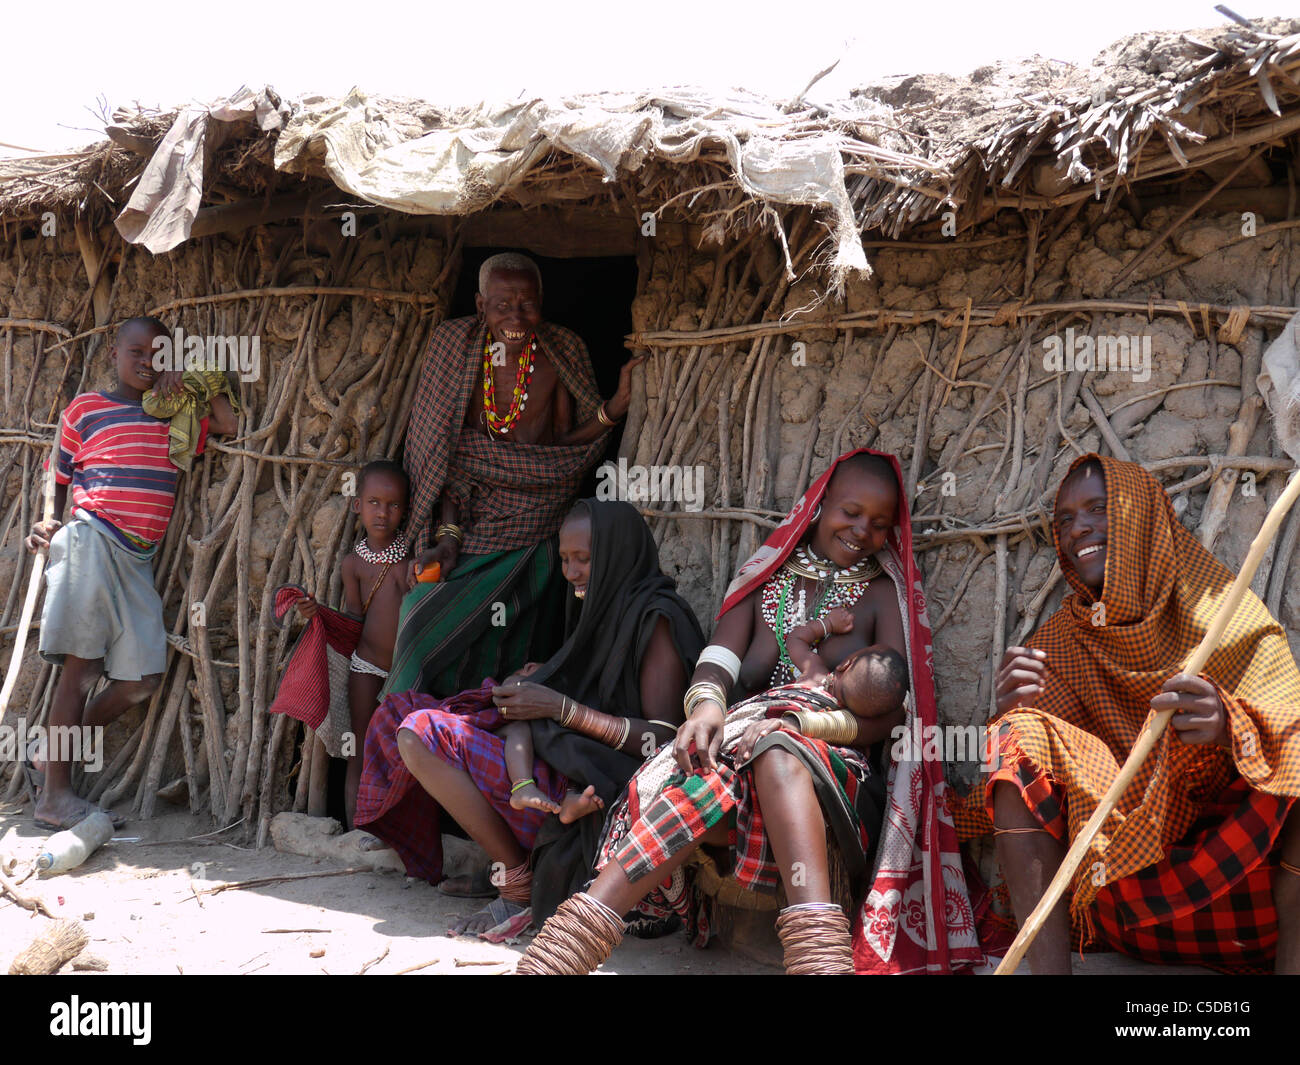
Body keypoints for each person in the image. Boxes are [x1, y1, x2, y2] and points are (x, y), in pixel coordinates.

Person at [517, 449, 986, 975]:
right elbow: (716, 662)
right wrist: (708, 709)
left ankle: (819, 962)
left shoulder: (881, 596)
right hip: (739, 768)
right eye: (850, 512)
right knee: (704, 787)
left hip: (836, 784)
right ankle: (560, 955)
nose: (862, 531)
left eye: (879, 524)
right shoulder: (767, 578)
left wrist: (800, 724)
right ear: (820, 502)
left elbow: (894, 712)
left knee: (778, 752)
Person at [959, 454, 1300, 974]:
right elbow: (1039, 766)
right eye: (1066, 519)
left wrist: (1233, 727)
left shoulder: (1227, 622)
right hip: (1122, 897)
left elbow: (1289, 729)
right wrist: (1011, 717)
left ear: (1140, 517)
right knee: (1016, 736)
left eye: (1099, 508)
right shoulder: (1062, 643)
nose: (1079, 529)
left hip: (1244, 892)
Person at [355, 499, 704, 939]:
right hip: (557, 761)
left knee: (421, 735)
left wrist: (559, 708)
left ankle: (516, 885)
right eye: (564, 560)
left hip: (596, 792)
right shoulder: (597, 609)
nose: (571, 572)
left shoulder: (657, 621)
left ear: (617, 553)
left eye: (584, 559)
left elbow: (663, 740)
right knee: (398, 712)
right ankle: (497, 863)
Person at [383, 252, 645, 701]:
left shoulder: (560, 353)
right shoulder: (454, 348)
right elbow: (442, 457)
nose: (516, 317)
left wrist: (613, 409)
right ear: (480, 303)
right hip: (470, 525)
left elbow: (563, 451)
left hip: (537, 517)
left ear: (542, 303)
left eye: (527, 304)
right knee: (419, 619)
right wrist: (447, 537)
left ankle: (481, 731)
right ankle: (408, 728)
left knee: (515, 644)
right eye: (503, 305)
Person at [23, 316, 237, 828]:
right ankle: (54, 796)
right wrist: (51, 520)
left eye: (157, 356)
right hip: (91, 538)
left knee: (142, 678)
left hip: (139, 557)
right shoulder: (86, 409)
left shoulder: (177, 413)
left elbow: (227, 424)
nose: (146, 363)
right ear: (114, 353)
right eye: (137, 352)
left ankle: (45, 751)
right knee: (81, 668)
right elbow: (60, 475)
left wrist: (193, 382)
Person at [294, 459, 412, 828]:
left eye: (393, 505)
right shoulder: (353, 565)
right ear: (356, 504)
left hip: (404, 670)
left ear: (405, 510)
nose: (383, 513)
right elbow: (354, 620)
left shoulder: (411, 560)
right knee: (358, 749)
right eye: (374, 502)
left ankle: (393, 831)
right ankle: (355, 828)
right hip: (366, 666)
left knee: (402, 749)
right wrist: (318, 616)